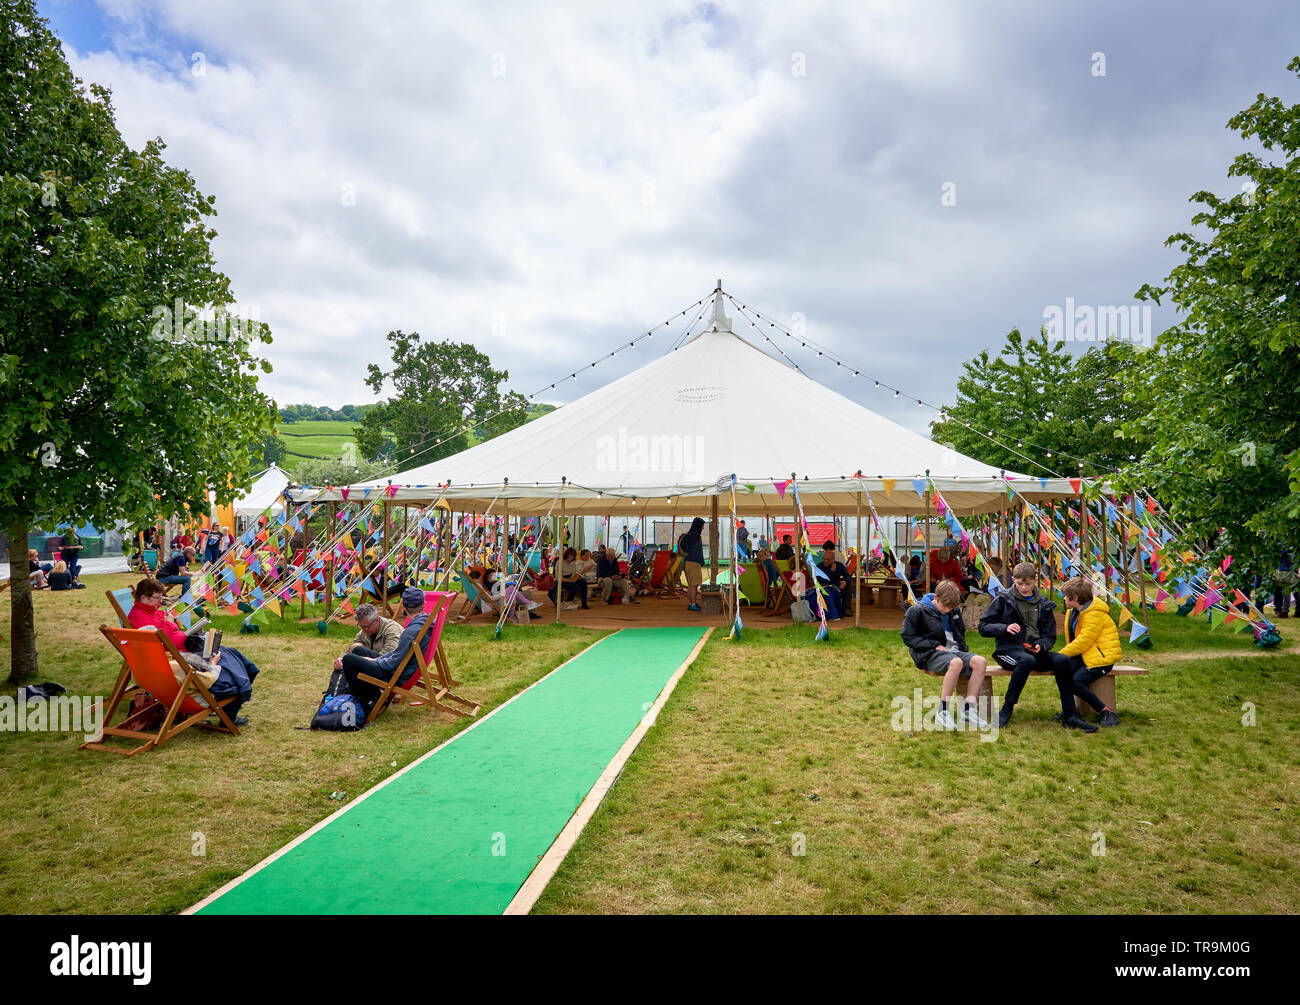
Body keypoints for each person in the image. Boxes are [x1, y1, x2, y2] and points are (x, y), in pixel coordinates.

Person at [978, 562, 1096, 732]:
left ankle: (1070, 715)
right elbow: (983, 627)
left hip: (1034, 652)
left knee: (1062, 660)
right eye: (1019, 584)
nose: (1024, 587)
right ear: (1013, 580)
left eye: (1028, 583)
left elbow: (1050, 636)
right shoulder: (1003, 599)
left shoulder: (1043, 602)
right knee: (1026, 660)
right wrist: (1004, 628)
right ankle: (1007, 710)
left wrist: (1042, 645)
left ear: (1036, 581)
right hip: (1007, 651)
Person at [127, 578, 260, 725]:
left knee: (232, 653)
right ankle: (229, 713)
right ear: (144, 597)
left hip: (186, 649)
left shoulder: (152, 611)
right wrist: (169, 623)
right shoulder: (139, 618)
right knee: (230, 668)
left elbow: (164, 633)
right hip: (182, 657)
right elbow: (160, 640)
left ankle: (234, 701)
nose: (160, 602)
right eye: (157, 598)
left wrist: (185, 630)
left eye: (161, 598)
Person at [900, 580, 990, 730]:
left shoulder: (953, 610)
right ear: (936, 597)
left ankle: (969, 710)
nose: (948, 610)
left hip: (953, 652)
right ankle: (943, 712)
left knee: (980, 662)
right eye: (945, 606)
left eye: (951, 607)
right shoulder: (917, 611)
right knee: (956, 662)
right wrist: (935, 646)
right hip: (928, 653)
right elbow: (908, 637)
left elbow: (959, 633)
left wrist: (964, 651)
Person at [338, 588, 428, 713]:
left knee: (349, 660)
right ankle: (367, 695)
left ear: (403, 607)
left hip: (395, 675)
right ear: (424, 605)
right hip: (398, 668)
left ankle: (370, 700)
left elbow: (392, 662)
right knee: (357, 650)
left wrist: (374, 661)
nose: (363, 629)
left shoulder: (410, 632)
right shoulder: (426, 623)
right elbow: (395, 656)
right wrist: (374, 659)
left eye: (366, 627)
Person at [1057, 578, 1122, 727]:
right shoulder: (1074, 612)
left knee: (1074, 682)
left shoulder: (1094, 615)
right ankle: (1070, 711)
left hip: (1101, 659)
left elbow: (1082, 642)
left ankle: (1106, 711)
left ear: (1075, 598)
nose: (1064, 598)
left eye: (1066, 596)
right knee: (1061, 671)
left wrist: (1060, 655)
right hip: (1084, 656)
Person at [817, 542, 851, 619]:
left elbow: (848, 576)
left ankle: (846, 608)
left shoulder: (839, 565)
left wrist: (845, 582)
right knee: (827, 587)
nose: (825, 561)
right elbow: (822, 581)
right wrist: (831, 572)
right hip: (826, 587)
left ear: (833, 560)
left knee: (848, 585)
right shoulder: (819, 567)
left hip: (836, 585)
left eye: (828, 560)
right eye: (824, 559)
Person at [678, 517, 705, 612]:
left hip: (687, 562)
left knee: (690, 585)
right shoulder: (696, 536)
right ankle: (693, 604)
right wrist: (701, 562)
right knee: (694, 585)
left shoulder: (688, 535)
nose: (703, 528)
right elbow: (697, 552)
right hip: (694, 563)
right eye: (702, 525)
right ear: (698, 525)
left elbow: (683, 547)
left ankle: (691, 603)